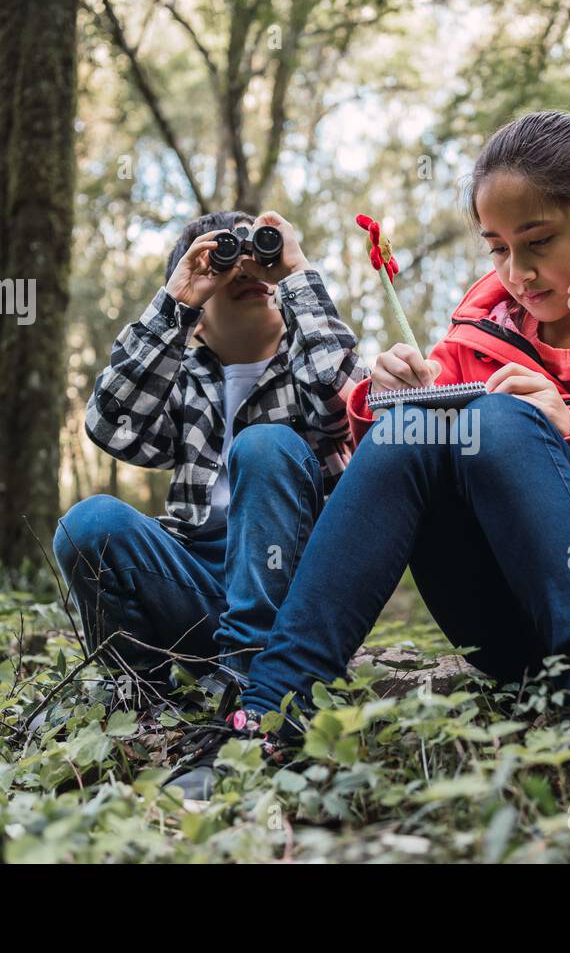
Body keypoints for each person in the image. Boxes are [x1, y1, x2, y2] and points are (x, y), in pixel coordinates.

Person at [173, 110, 570, 793]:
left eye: (538, 241)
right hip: (502, 630)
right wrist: (378, 397)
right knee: (413, 428)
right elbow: (388, 458)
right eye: (497, 248)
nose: (519, 272)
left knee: (501, 422)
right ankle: (271, 712)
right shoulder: (480, 334)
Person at [52, 210, 367, 701]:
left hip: (296, 596)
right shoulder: (181, 381)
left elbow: (343, 401)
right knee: (88, 523)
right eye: (225, 265)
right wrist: (176, 303)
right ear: (196, 321)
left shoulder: (307, 365)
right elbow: (110, 424)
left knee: (263, 444)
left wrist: (296, 273)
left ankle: (253, 677)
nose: (246, 270)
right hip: (198, 590)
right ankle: (137, 693)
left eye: (258, 257)